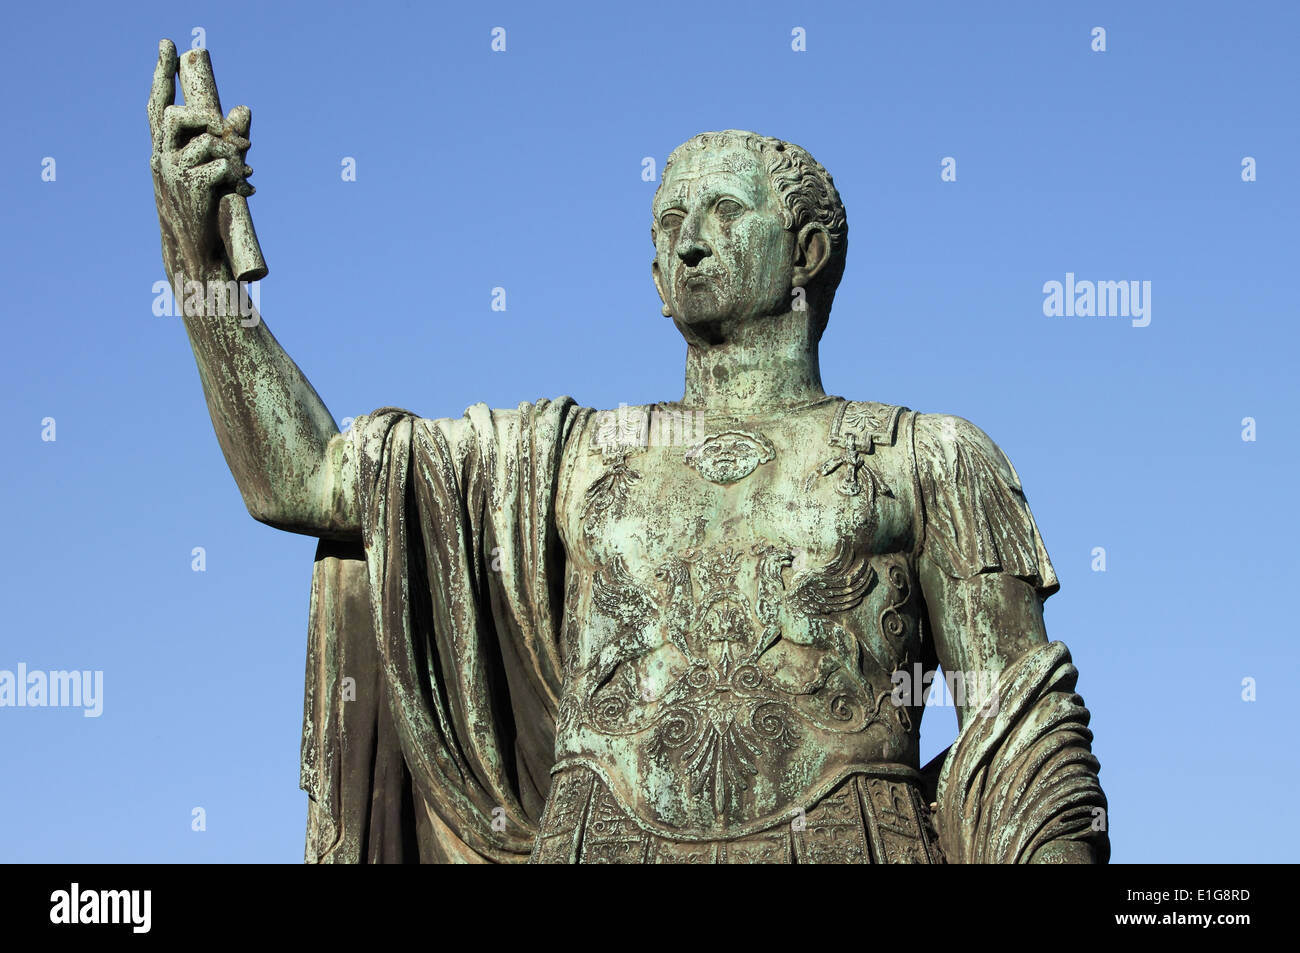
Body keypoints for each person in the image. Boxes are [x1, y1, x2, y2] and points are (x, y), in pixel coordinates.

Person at [148, 39, 1109, 863]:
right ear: (653, 279)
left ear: (808, 252)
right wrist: (200, 266)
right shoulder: (566, 456)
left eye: (724, 213)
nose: (688, 244)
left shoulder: (929, 457)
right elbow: (304, 479)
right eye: (669, 225)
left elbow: (1022, 744)